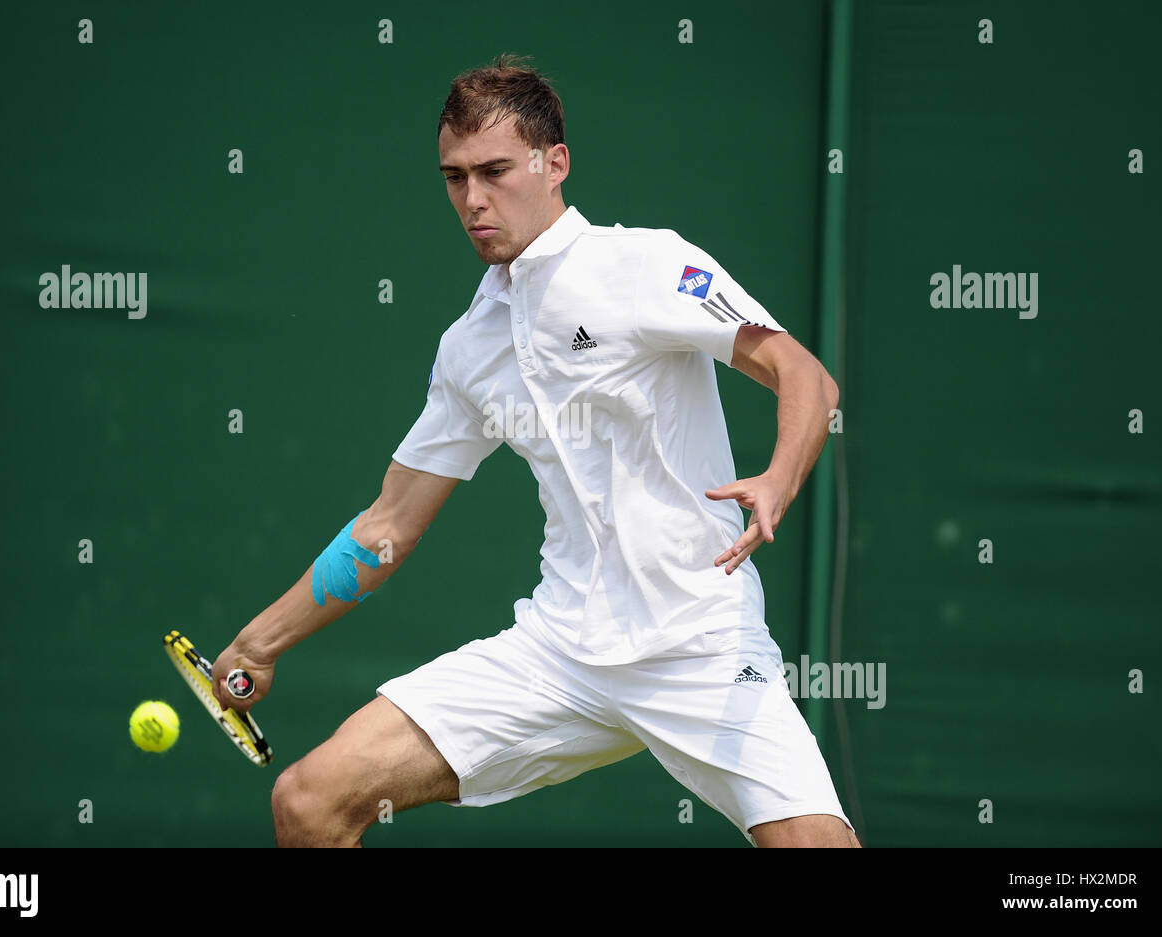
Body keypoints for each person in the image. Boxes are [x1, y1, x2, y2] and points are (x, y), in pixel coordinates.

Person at [212, 54, 859, 848]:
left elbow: (805, 376)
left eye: (494, 171)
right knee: (309, 801)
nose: (474, 199)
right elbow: (389, 526)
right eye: (455, 177)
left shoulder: (645, 263)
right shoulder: (470, 347)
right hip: (560, 651)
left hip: (700, 642)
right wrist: (260, 641)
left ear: (555, 164)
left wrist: (779, 477)